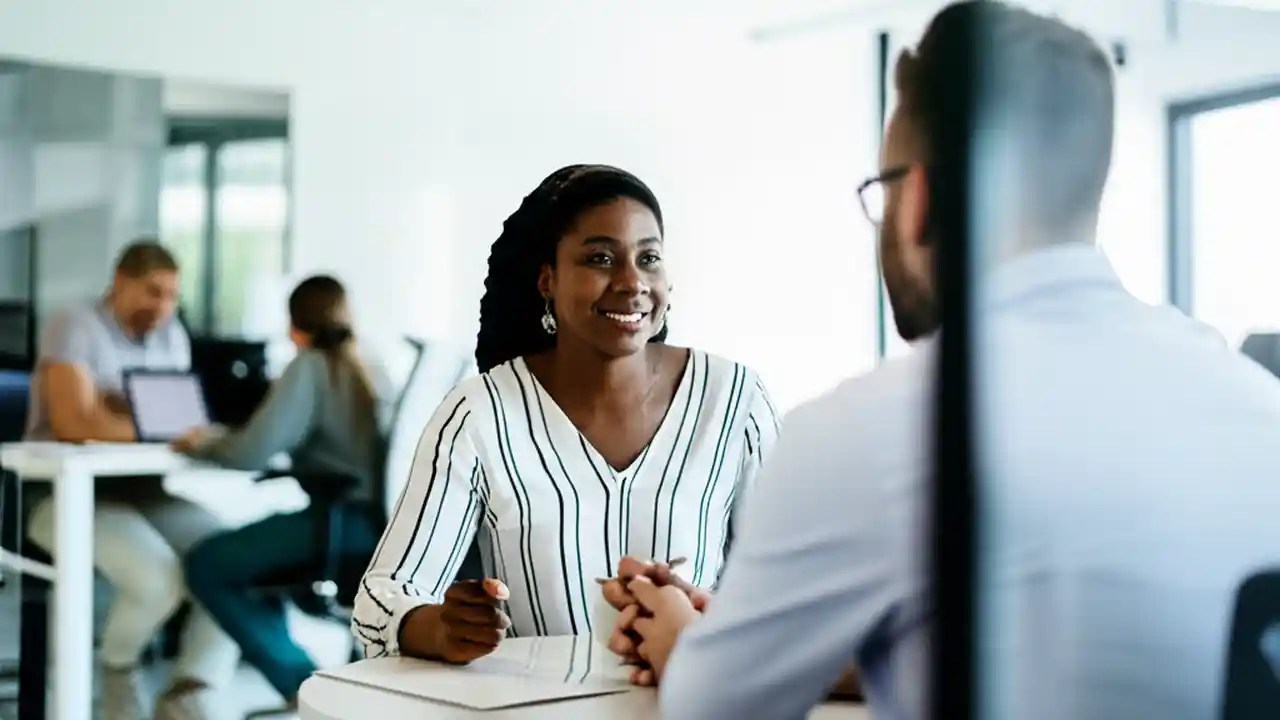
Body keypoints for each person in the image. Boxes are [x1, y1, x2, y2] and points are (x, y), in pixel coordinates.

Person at [619, 3, 1280, 719]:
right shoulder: (1258, 403)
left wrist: (682, 638)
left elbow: (715, 710)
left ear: (919, 200)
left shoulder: (870, 431)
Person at [351, 164, 780, 664]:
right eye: (601, 258)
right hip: (533, 702)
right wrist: (439, 628)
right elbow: (381, 598)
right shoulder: (480, 414)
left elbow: (790, 587)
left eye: (649, 258)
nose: (632, 282)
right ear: (547, 280)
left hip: (691, 697)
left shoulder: (735, 401)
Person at [24, 240, 239, 720]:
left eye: (172, 296)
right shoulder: (75, 324)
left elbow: (177, 425)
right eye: (152, 292)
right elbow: (74, 423)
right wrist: (143, 421)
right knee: (157, 579)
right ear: (119, 282)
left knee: (235, 560)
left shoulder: (171, 334)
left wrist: (114, 414)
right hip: (61, 496)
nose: (163, 307)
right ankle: (117, 674)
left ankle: (188, 690)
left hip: (145, 491)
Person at [177, 276, 389, 709]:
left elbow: (250, 452)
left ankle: (304, 685)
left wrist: (203, 441)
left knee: (208, 563)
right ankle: (305, 684)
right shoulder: (370, 364)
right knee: (254, 567)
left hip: (341, 524)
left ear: (294, 327)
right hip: (382, 526)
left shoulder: (311, 365)